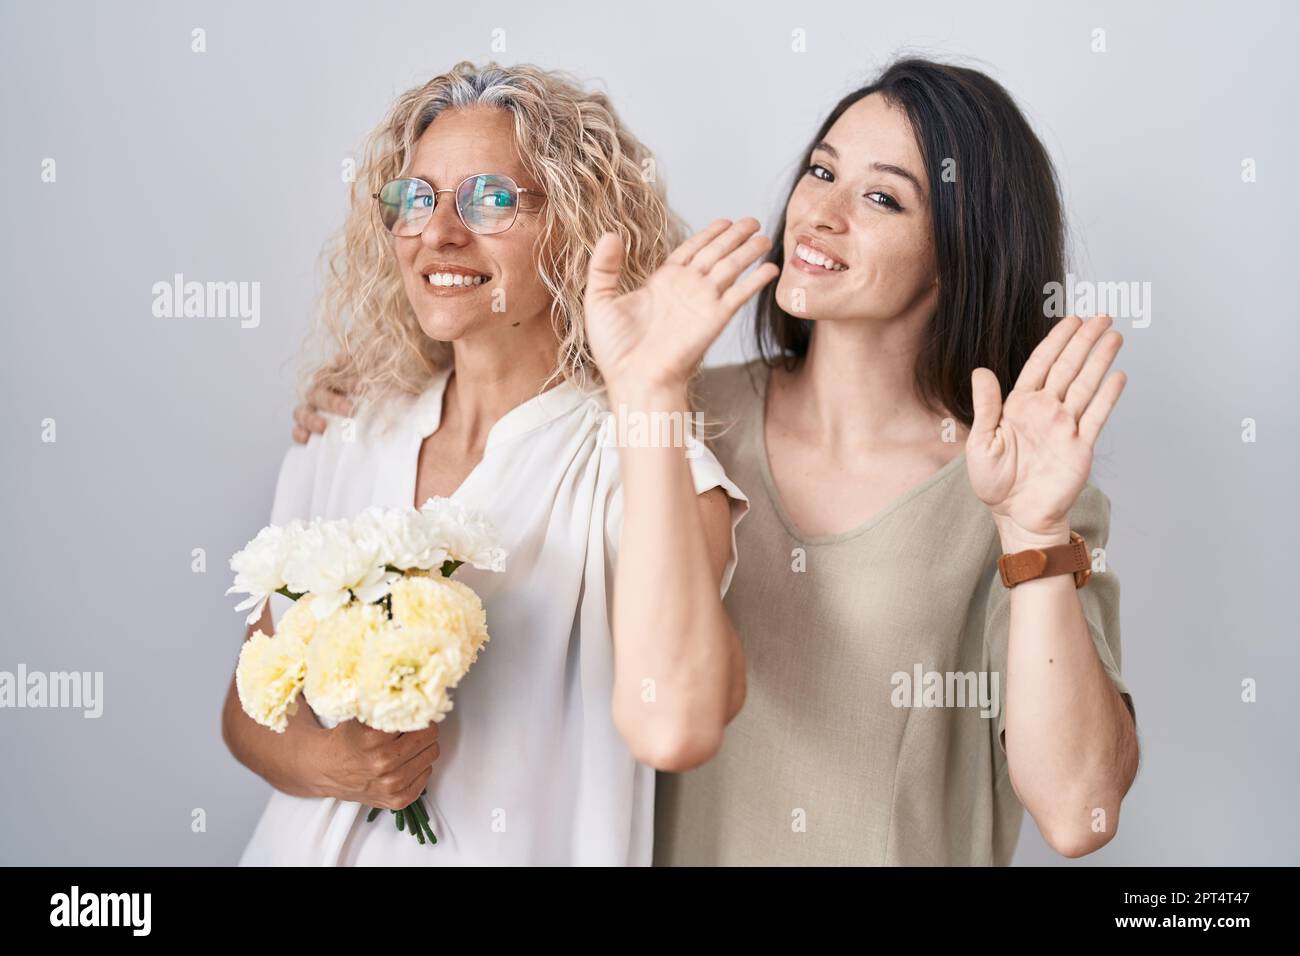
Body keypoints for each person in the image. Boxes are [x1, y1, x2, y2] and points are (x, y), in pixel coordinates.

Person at [293, 57, 1140, 866]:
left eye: (882, 198)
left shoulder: (1020, 488)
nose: (823, 214)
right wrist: (377, 394)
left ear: (964, 252)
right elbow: (504, 411)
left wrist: (1031, 528)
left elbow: (1077, 811)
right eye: (820, 172)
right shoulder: (678, 417)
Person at [223, 61, 770, 866]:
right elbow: (247, 708)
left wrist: (648, 390)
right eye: (416, 199)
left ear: (579, 225)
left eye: (491, 199)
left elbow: (680, 716)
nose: (439, 233)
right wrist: (328, 763)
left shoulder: (642, 458)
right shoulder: (344, 432)